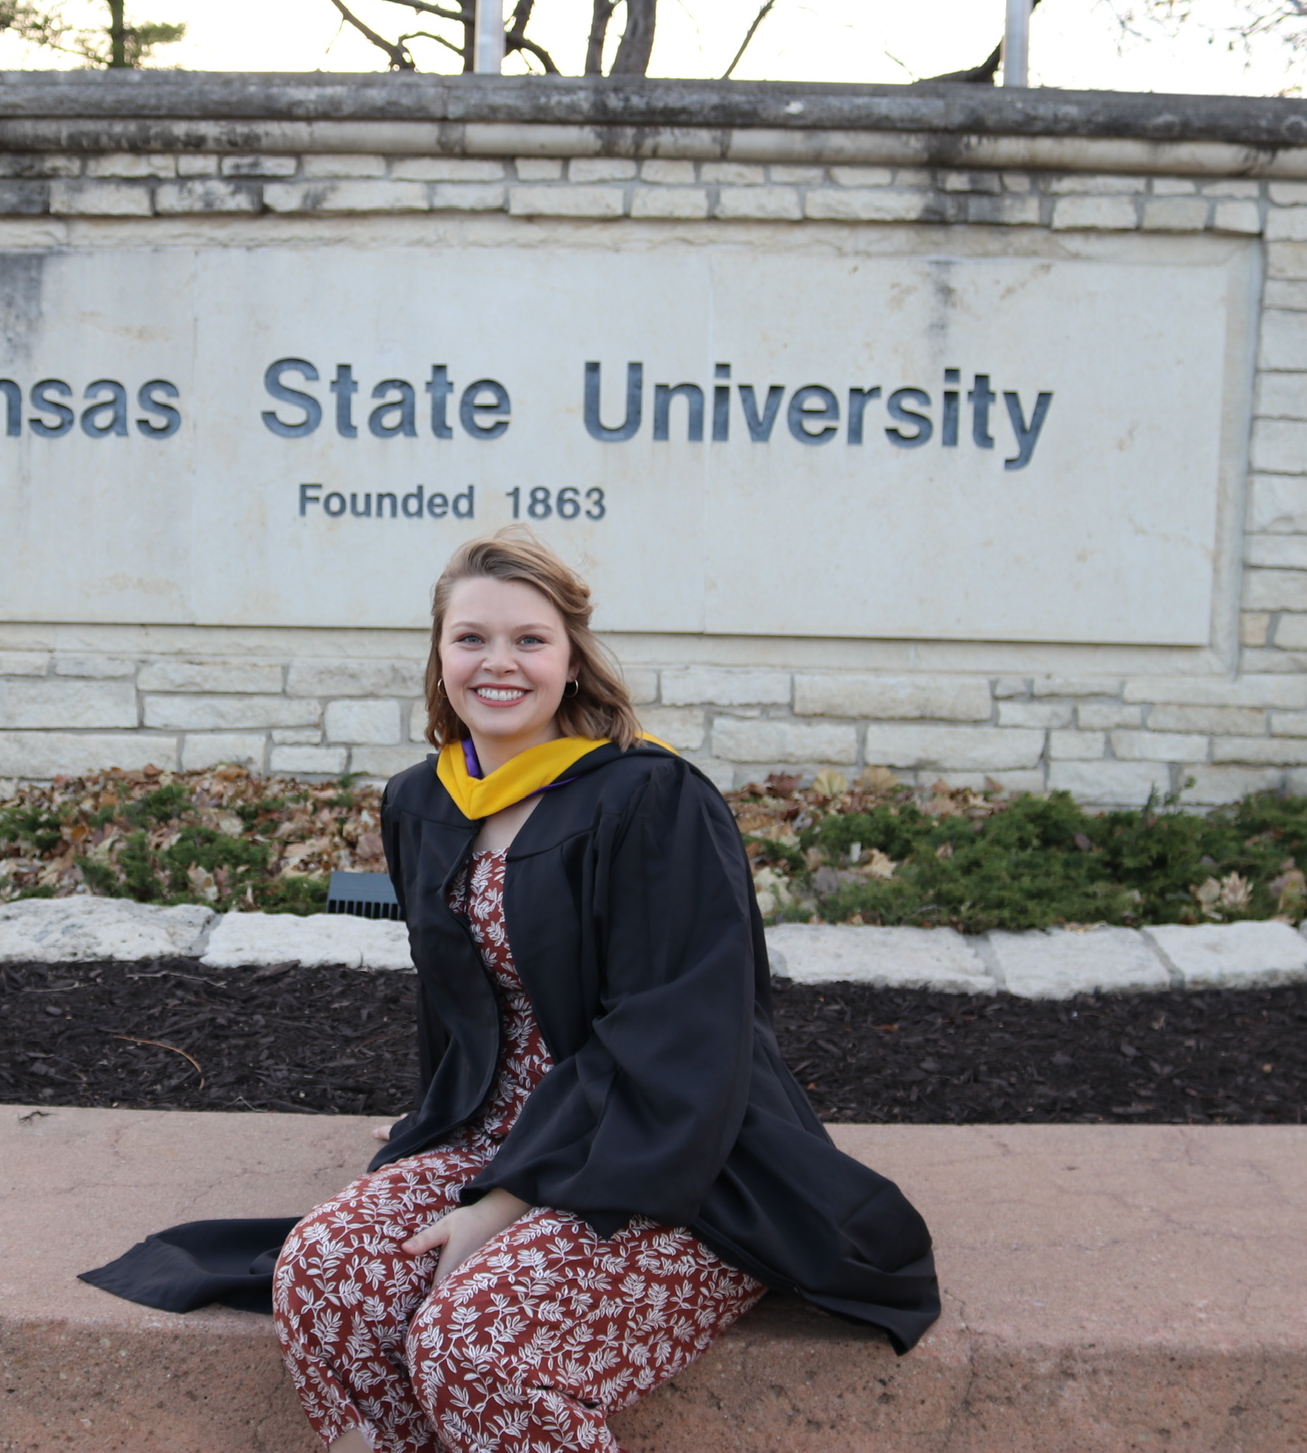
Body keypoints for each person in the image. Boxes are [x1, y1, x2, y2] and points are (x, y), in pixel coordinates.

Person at [271, 527, 940, 1453]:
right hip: (492, 1134)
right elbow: (458, 1009)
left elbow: (678, 1034)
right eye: (470, 637)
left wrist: (502, 1207)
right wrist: (430, 1159)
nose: (496, 663)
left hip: (667, 1153)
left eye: (528, 640)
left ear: (573, 657)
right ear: (437, 651)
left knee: (473, 1344)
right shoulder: (421, 800)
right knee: (319, 1269)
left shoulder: (649, 800)